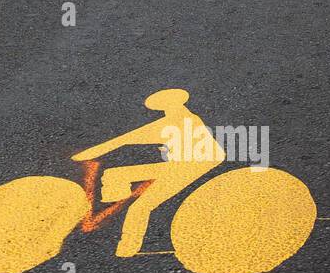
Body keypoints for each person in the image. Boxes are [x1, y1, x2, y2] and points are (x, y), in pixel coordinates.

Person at [71, 88, 225, 258]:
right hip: (180, 165)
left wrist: (87, 155)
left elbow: (124, 140)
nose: (166, 108)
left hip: (188, 167)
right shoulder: (184, 118)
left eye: (166, 105)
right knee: (115, 175)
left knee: (140, 207)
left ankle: (128, 246)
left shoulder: (174, 122)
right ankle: (117, 200)